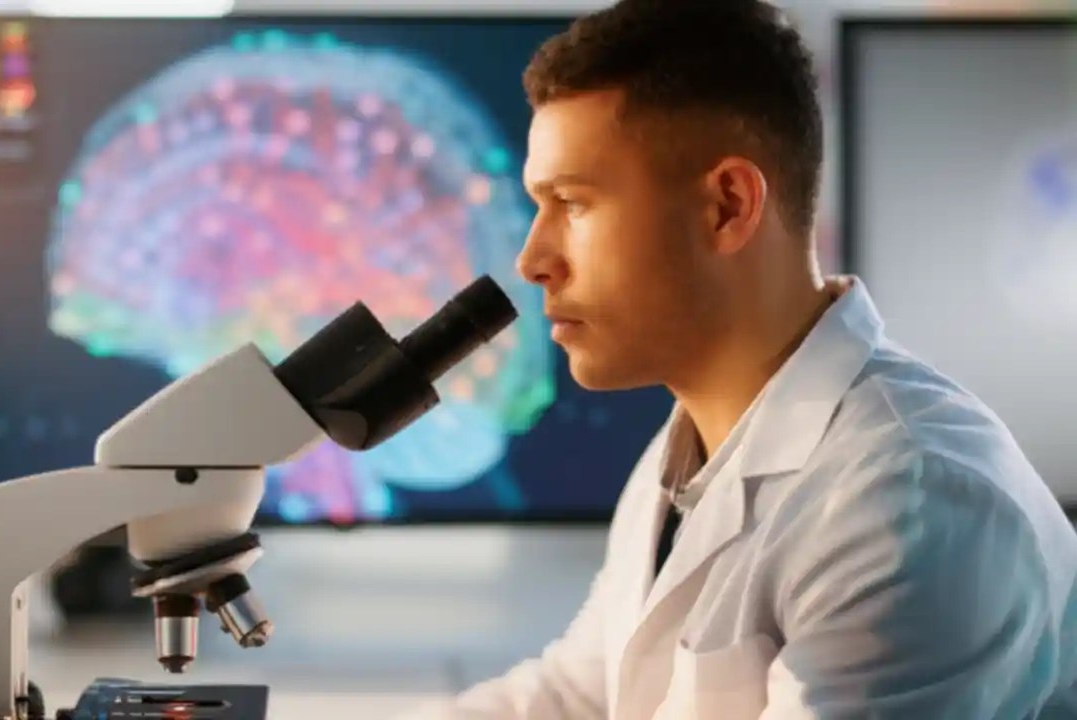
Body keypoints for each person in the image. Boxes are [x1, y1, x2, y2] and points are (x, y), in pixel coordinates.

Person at [404, 1, 1077, 718]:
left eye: (572, 203)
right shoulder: (694, 449)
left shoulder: (907, 503)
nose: (533, 259)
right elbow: (579, 695)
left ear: (727, 205)